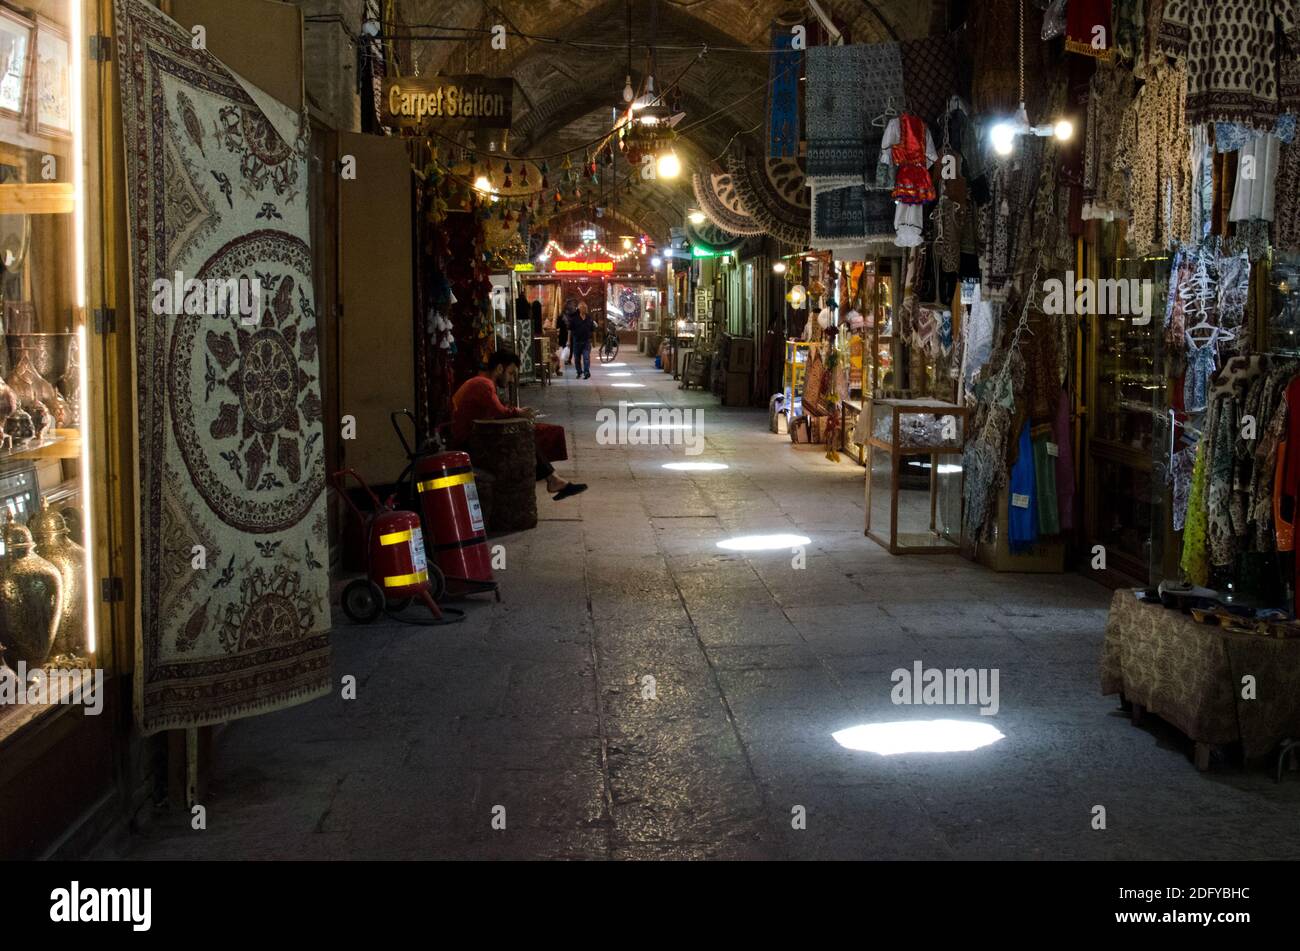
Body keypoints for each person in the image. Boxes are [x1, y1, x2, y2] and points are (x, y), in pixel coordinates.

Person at [451, 349, 588, 501]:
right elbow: (500, 412)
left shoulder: (481, 382)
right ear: (499, 369)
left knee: (530, 435)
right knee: (525, 438)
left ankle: (553, 479)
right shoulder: (483, 384)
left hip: (468, 438)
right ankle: (553, 480)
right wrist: (518, 412)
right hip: (463, 444)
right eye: (510, 373)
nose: (510, 379)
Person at [570, 302, 596, 379]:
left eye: (585, 308)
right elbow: (570, 330)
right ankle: (579, 372)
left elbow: (593, 330)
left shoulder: (589, 318)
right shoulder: (574, 319)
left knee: (586, 357)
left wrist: (594, 342)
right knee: (577, 358)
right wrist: (568, 341)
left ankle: (586, 372)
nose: (584, 309)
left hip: (586, 341)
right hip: (576, 341)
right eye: (582, 308)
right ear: (579, 309)